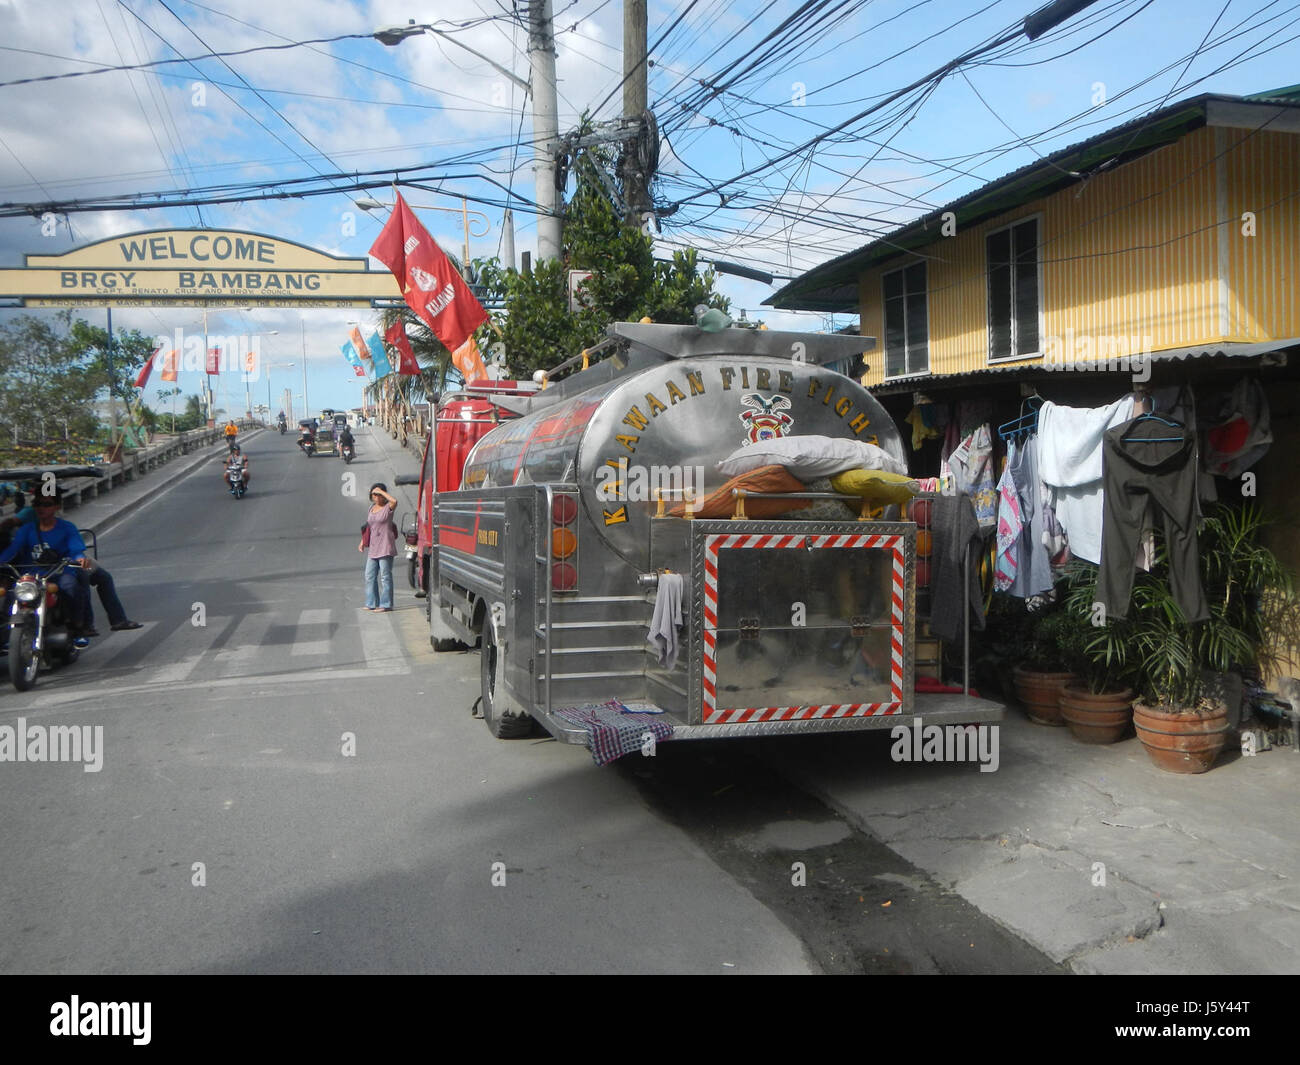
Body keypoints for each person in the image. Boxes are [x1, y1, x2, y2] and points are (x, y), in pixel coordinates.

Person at [0, 491, 93, 646]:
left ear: (56, 506)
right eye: (37, 504)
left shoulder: (67, 528)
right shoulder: (27, 529)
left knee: (69, 587)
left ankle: (77, 627)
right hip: (31, 575)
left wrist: (80, 559)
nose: (41, 508)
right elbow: (13, 549)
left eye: (46, 504)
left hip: (59, 572)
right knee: (10, 595)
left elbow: (75, 549)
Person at [359, 483, 397, 611]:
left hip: (385, 547)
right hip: (374, 548)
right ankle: (371, 603)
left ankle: (386, 604)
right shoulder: (371, 508)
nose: (376, 497)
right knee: (369, 576)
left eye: (378, 494)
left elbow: (394, 501)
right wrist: (362, 542)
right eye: (374, 494)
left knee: (385, 577)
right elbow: (369, 527)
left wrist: (382, 491)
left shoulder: (388, 508)